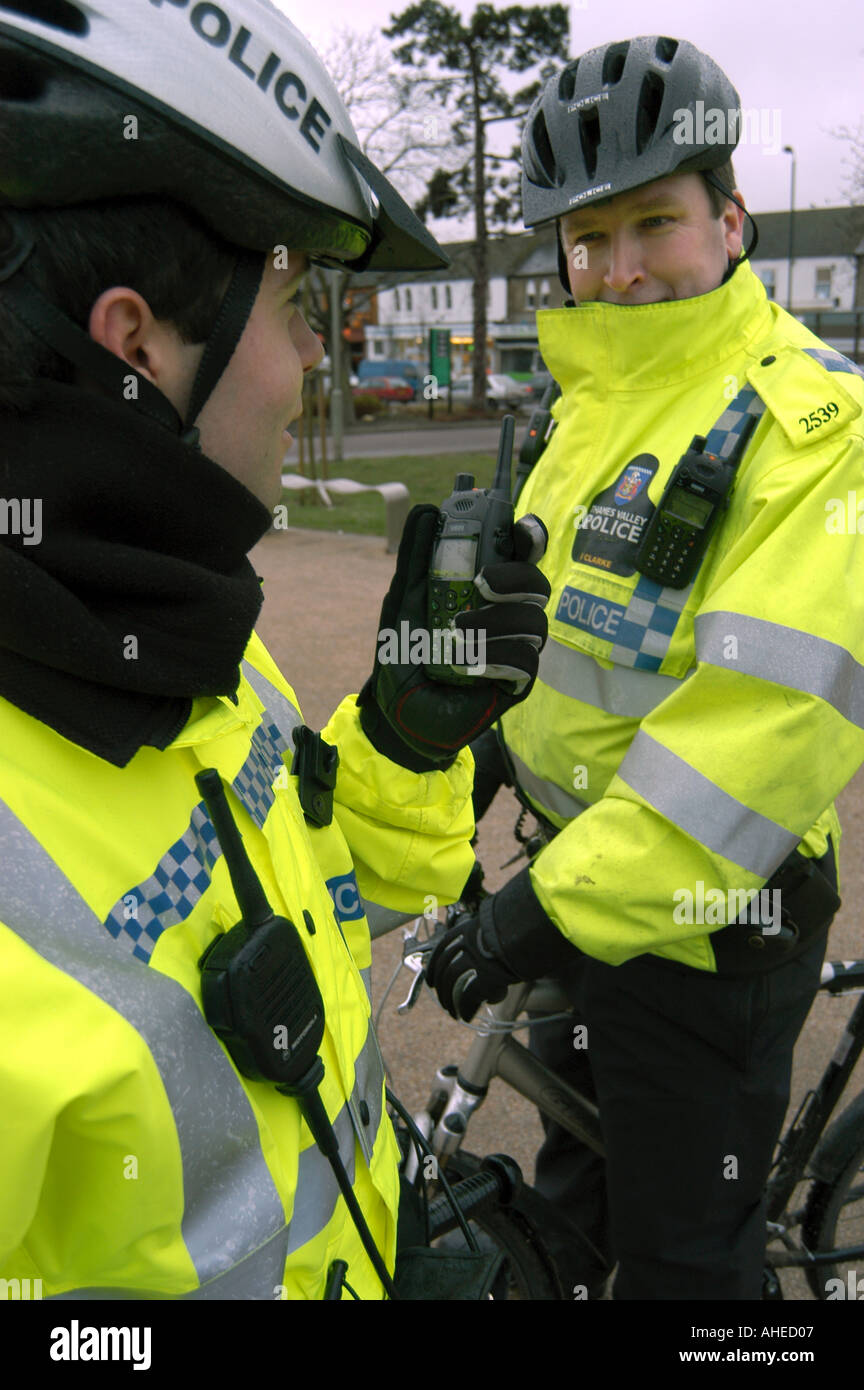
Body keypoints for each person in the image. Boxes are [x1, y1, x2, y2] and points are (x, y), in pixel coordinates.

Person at [0, 0, 550, 1301]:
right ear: (138, 344)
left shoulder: (166, 621)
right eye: (297, 299)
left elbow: (291, 896)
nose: (316, 352)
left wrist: (406, 738)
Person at [426, 34, 862, 1300]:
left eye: (654, 223)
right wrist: (487, 746)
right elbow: (568, 647)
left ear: (731, 219)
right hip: (582, 882)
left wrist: (531, 915)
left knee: (687, 1262)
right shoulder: (589, 406)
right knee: (580, 1185)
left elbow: (754, 740)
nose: (620, 270)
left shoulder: (816, 430)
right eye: (589, 237)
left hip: (711, 926)